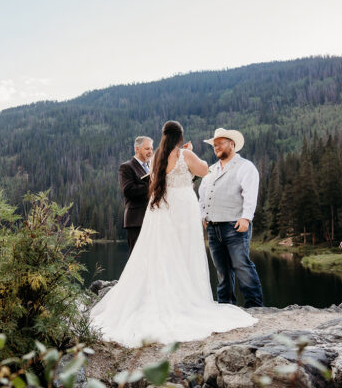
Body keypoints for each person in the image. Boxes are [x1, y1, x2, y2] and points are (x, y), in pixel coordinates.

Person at [90, 121, 256, 347]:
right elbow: (205, 170)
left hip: (164, 208)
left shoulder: (158, 156)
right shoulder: (184, 154)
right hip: (183, 208)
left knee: (164, 253)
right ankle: (186, 300)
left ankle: (162, 297)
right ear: (180, 137)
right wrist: (191, 152)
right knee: (185, 252)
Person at [199, 128, 264, 308]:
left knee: (242, 266)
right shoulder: (211, 170)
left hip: (234, 225)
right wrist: (204, 216)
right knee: (222, 271)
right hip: (213, 227)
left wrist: (246, 218)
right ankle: (225, 305)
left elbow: (250, 194)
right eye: (214, 145)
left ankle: (255, 306)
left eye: (220, 144)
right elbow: (202, 195)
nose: (216, 147)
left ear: (232, 144)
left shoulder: (245, 166)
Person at [119, 136, 153, 252]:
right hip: (136, 221)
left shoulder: (150, 168)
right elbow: (128, 190)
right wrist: (152, 185)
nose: (150, 152)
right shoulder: (126, 167)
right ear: (137, 149)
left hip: (151, 219)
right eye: (147, 149)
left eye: (151, 149)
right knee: (137, 259)